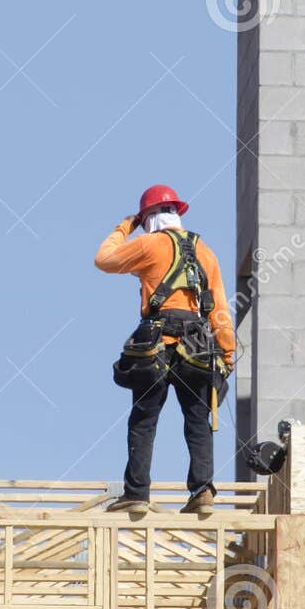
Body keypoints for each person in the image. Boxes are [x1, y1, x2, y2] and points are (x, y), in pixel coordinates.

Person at [96, 184, 235, 516]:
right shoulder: (206, 252)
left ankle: (137, 493)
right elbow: (219, 311)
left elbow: (104, 259)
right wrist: (226, 355)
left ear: (148, 220)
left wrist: (125, 226)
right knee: (198, 420)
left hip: (157, 345)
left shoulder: (148, 244)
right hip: (199, 346)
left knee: (144, 419)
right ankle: (203, 492)